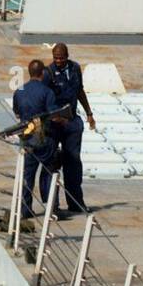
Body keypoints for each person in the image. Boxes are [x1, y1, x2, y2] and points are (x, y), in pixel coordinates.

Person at [44, 42, 95, 215]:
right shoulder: (48, 73)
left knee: (73, 162)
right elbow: (44, 99)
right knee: (52, 163)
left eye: (61, 58)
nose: (58, 61)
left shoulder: (74, 69)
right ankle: (53, 205)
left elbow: (79, 90)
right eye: (55, 58)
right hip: (54, 124)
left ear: (67, 56)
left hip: (71, 122)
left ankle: (75, 202)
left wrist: (89, 112)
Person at [11, 59, 62, 219]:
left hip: (27, 139)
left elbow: (18, 113)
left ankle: (25, 210)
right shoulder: (47, 92)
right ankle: (51, 208)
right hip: (45, 139)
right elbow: (53, 115)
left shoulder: (19, 91)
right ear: (42, 73)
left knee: (27, 175)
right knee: (48, 173)